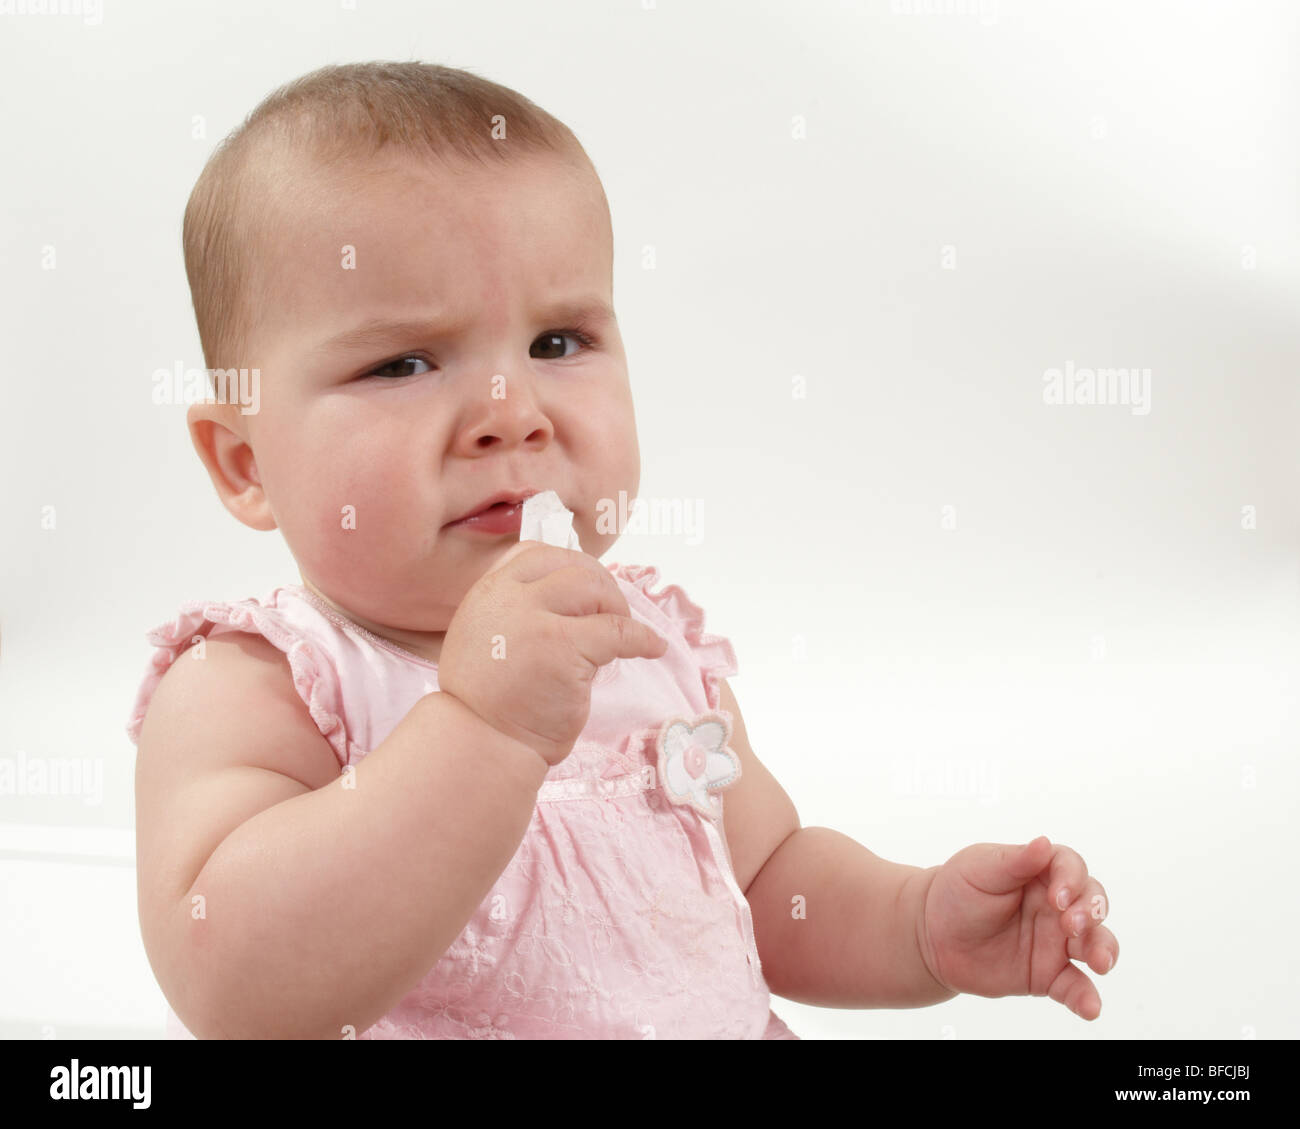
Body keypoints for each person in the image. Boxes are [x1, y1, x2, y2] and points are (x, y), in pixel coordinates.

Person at [127, 61, 1118, 1039]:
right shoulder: (258, 690)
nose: (509, 415)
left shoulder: (641, 644)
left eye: (557, 343)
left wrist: (919, 925)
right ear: (245, 459)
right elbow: (234, 986)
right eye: (405, 362)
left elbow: (764, 882)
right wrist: (482, 730)